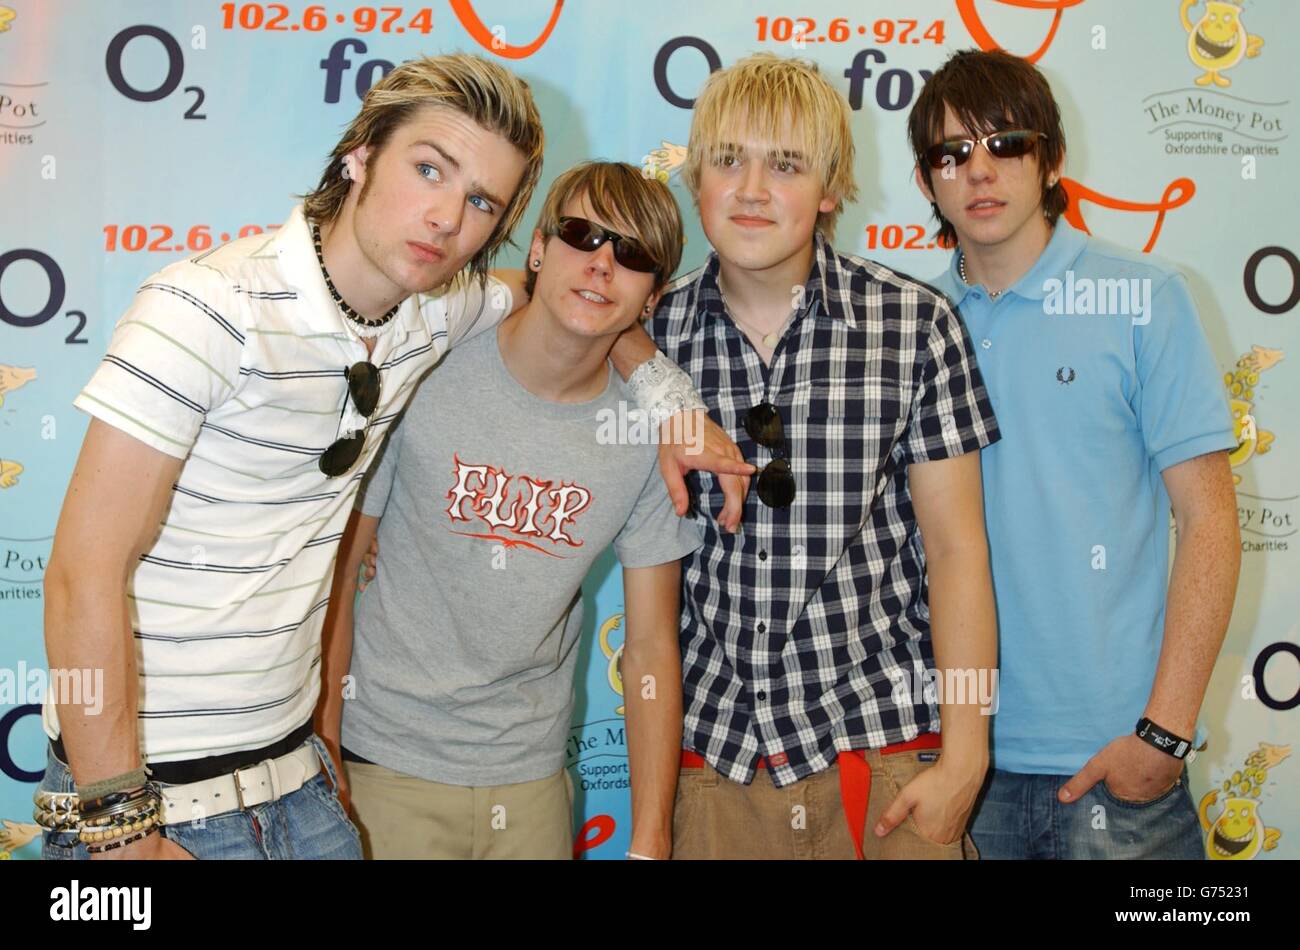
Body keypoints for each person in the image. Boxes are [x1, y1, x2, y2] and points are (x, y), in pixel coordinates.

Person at [36, 54, 741, 861]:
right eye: (429, 169)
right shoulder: (202, 308)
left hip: (298, 784)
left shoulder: (430, 318)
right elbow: (79, 574)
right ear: (360, 154)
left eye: (480, 201)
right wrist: (120, 834)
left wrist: (662, 391)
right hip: (147, 801)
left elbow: (586, 296)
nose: (446, 216)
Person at [614, 52, 1001, 860]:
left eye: (785, 164)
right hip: (713, 766)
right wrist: (631, 352)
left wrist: (967, 752)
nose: (753, 189)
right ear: (694, 180)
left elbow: (957, 551)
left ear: (829, 190)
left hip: (889, 756)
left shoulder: (915, 325)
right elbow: (524, 290)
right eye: (729, 160)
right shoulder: (648, 333)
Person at [909, 48, 1241, 859]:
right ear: (927, 182)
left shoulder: (1144, 297)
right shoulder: (911, 323)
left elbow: (1209, 519)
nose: (979, 171)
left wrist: (1162, 735)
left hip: (1117, 771)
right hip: (956, 764)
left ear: (1051, 158)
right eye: (953, 153)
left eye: (1006, 144)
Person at [319, 162, 701, 860]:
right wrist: (325, 759)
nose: (601, 264)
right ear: (537, 247)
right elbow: (339, 574)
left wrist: (649, 841)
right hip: (382, 765)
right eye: (582, 235)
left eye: (633, 254)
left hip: (531, 788)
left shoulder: (649, 434)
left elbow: (649, 648)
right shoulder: (430, 363)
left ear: (654, 295)